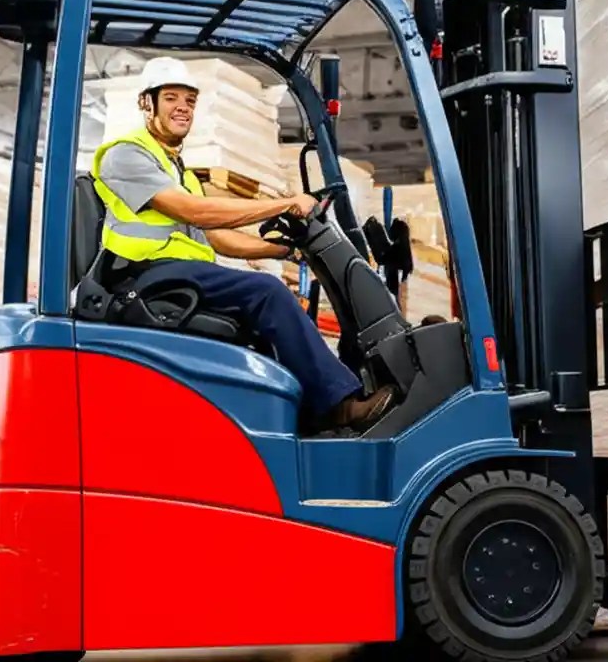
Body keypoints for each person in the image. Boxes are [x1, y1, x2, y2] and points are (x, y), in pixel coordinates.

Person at [91, 56, 396, 431]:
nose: (182, 107)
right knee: (266, 293)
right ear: (146, 103)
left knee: (269, 297)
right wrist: (285, 202)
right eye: (171, 98)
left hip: (176, 273)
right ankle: (339, 405)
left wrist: (286, 251)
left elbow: (217, 238)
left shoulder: (177, 169)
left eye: (189, 100)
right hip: (142, 278)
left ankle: (296, 413)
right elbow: (196, 212)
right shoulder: (127, 155)